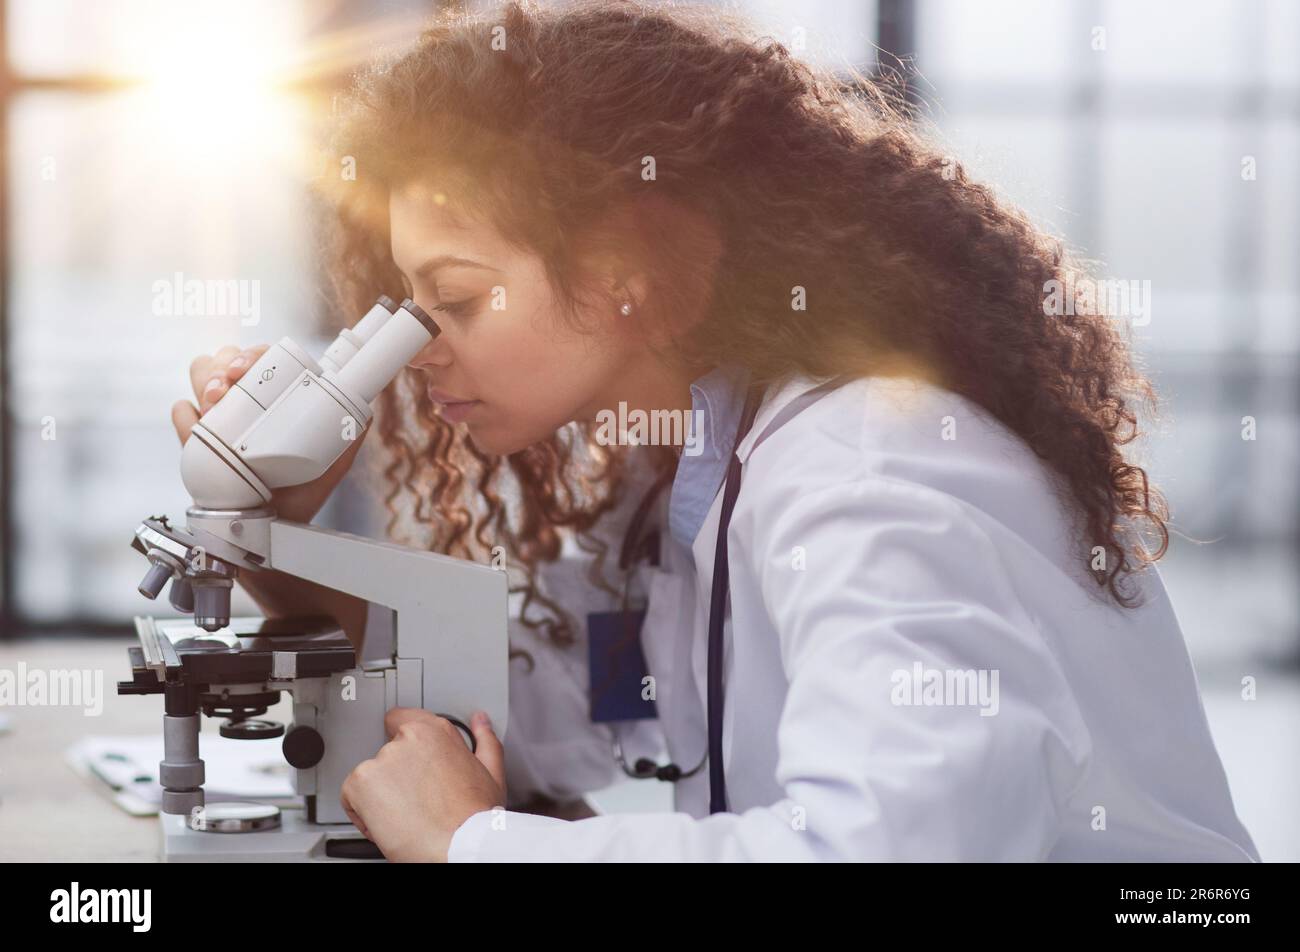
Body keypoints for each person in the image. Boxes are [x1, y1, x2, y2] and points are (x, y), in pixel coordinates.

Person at [172, 1, 1258, 862]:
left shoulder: (869, 474)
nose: (421, 351)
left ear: (628, 276)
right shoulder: (689, 476)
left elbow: (886, 851)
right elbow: (520, 714)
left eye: (454, 300)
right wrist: (276, 537)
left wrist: (474, 845)